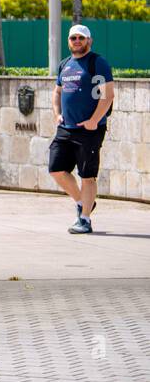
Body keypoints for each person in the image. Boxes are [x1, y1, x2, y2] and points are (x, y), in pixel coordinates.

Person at [48, 24, 115, 234]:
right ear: (69, 41)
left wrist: (94, 120)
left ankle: (85, 219)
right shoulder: (65, 65)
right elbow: (57, 93)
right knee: (56, 169)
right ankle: (82, 202)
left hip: (90, 130)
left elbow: (108, 94)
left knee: (87, 175)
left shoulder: (97, 62)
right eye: (73, 38)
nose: (77, 41)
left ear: (89, 40)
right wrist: (57, 114)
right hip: (65, 128)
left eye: (81, 38)